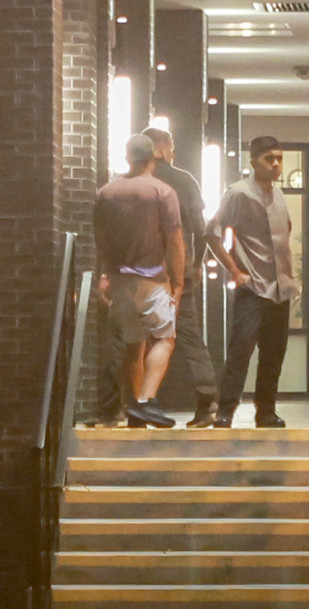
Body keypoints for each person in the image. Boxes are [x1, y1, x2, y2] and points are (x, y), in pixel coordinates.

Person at [92, 132, 186, 429]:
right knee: (164, 338)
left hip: (120, 279)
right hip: (153, 278)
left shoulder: (106, 193)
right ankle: (145, 401)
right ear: (153, 158)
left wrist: (105, 275)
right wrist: (178, 279)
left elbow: (100, 240)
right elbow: (175, 241)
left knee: (133, 345)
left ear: (127, 157)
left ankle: (133, 408)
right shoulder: (162, 191)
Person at [207, 135, 298, 429]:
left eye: (279, 158)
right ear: (253, 161)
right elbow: (212, 233)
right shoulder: (239, 193)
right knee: (241, 351)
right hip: (253, 286)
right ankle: (226, 411)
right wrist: (234, 269)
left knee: (274, 354)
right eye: (269, 159)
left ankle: (266, 411)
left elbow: (285, 231)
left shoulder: (280, 194)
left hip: (281, 287)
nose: (275, 164)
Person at [145, 126, 221, 429]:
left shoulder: (135, 181)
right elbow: (199, 227)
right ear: (163, 147)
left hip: (141, 270)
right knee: (188, 334)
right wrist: (196, 263)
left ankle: (134, 404)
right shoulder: (184, 180)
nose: (174, 151)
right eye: (172, 146)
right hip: (179, 271)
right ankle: (207, 399)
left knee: (136, 338)